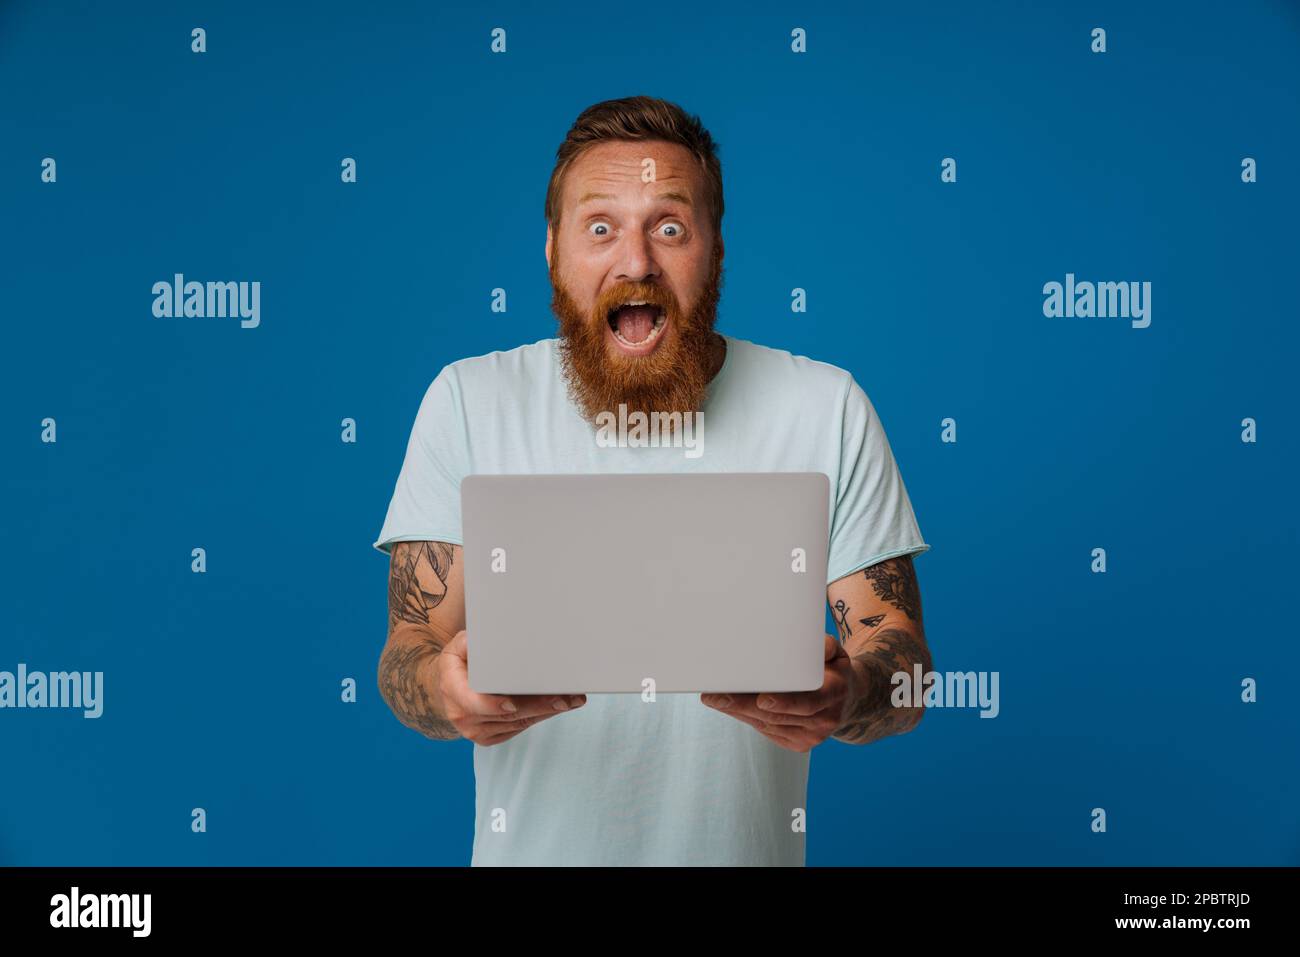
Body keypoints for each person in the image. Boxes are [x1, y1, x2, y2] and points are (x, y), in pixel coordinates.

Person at [373, 95, 932, 866]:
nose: (636, 261)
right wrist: (444, 688)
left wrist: (852, 692)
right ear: (552, 251)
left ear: (718, 251)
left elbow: (902, 660)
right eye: (600, 227)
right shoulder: (470, 403)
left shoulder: (825, 407)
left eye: (670, 228)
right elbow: (409, 645)